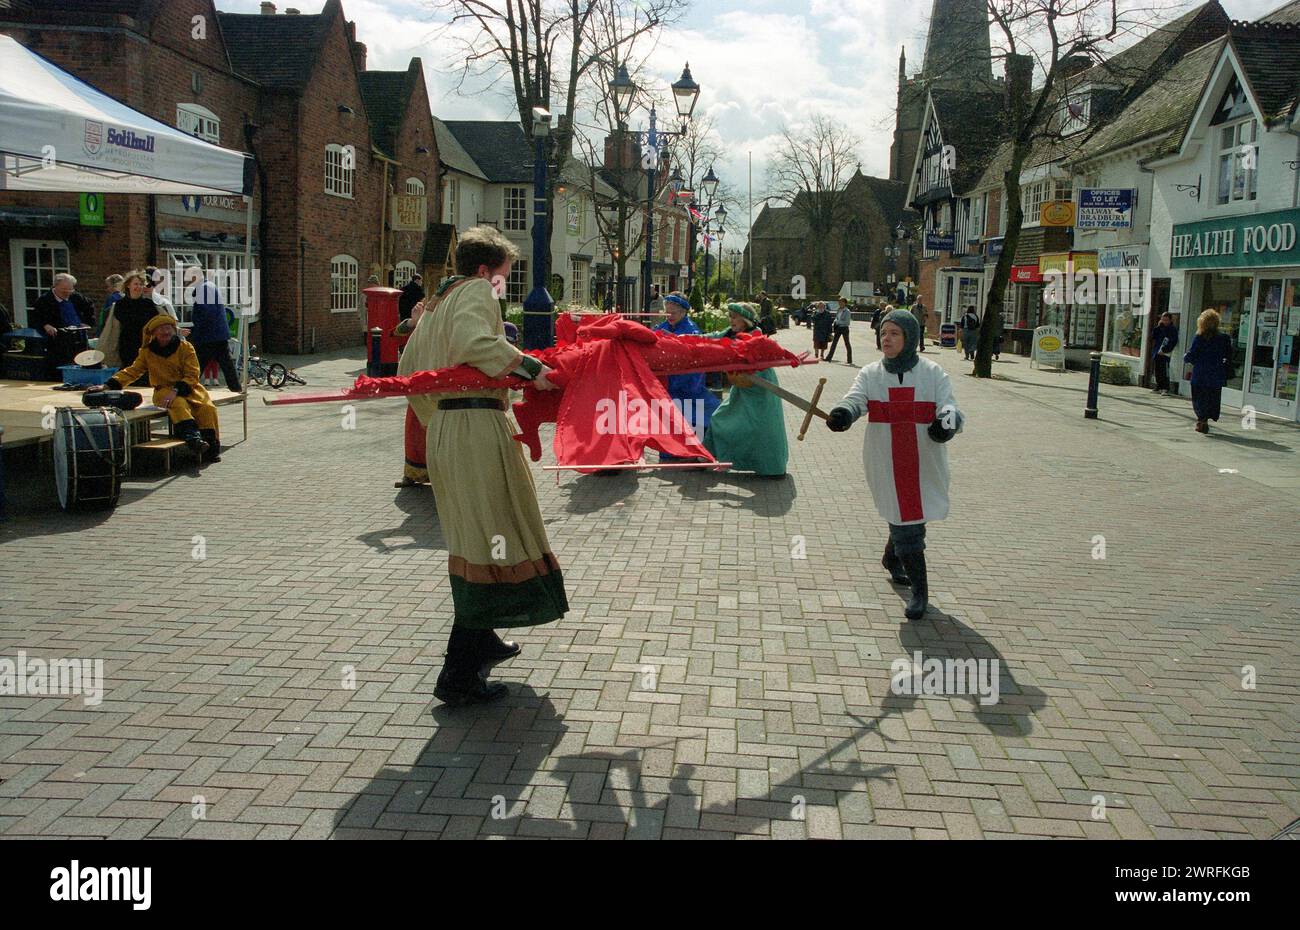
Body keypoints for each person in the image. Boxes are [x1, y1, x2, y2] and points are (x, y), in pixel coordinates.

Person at [401, 226, 567, 706]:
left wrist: (441, 419)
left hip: (453, 429)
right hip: (475, 425)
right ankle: (459, 673)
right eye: (503, 278)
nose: (502, 286)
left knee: (479, 535)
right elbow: (477, 344)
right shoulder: (475, 292)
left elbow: (409, 373)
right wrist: (534, 372)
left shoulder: (434, 305)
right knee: (493, 533)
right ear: (483, 271)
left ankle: (481, 641)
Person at [826, 309, 964, 620]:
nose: (886, 338)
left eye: (894, 333)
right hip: (886, 459)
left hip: (924, 460)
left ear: (910, 338)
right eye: (883, 333)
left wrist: (946, 423)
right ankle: (920, 592)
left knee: (908, 515)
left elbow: (950, 406)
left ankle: (893, 558)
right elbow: (855, 399)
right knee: (905, 519)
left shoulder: (933, 372)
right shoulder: (871, 373)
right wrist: (844, 414)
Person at [101, 314, 221, 462]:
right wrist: (108, 385)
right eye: (161, 329)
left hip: (189, 387)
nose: (166, 332)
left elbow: (192, 373)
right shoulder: (147, 352)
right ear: (154, 333)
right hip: (163, 389)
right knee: (177, 404)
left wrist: (177, 390)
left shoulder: (185, 347)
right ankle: (193, 439)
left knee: (207, 408)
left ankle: (211, 449)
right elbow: (133, 371)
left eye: (169, 328)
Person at [702, 303, 789, 478]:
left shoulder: (755, 336)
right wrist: (687, 339)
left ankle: (771, 467)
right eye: (730, 316)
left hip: (759, 386)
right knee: (720, 417)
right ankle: (706, 457)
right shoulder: (730, 333)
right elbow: (712, 338)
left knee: (762, 426)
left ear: (745, 320)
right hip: (742, 386)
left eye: (734, 317)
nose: (731, 320)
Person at [655, 291, 720, 457]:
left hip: (688, 382)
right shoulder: (662, 328)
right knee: (669, 417)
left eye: (673, 313)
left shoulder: (691, 330)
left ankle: (692, 452)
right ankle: (670, 451)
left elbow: (694, 353)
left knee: (694, 416)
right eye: (667, 312)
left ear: (683, 312)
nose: (669, 316)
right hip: (668, 382)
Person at [185, 266, 241, 393]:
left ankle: (187, 387)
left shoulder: (203, 289)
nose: (187, 281)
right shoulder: (209, 286)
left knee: (198, 363)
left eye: (189, 278)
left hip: (208, 334)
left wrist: (197, 328)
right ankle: (235, 387)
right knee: (226, 362)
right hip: (217, 333)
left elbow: (206, 311)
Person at [394, 300, 431, 489]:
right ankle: (412, 473)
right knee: (413, 432)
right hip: (417, 384)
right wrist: (413, 322)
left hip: (436, 385)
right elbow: (397, 331)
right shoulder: (419, 321)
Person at [1183, 309, 1234, 435]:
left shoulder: (1200, 337)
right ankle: (1208, 417)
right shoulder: (1224, 338)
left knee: (1199, 398)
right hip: (1216, 374)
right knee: (1213, 397)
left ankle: (1202, 420)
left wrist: (1187, 357)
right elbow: (1228, 355)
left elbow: (1192, 354)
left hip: (1200, 373)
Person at [31, 274, 95, 365]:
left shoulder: (76, 297)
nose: (67, 292)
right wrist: (45, 325)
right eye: (64, 290)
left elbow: (89, 306)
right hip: (58, 340)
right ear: (55, 286)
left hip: (78, 337)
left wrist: (87, 322)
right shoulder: (44, 300)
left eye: (70, 289)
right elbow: (35, 318)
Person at [1150, 311, 1178, 395]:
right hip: (1157, 351)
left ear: (1170, 320)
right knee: (1157, 370)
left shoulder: (1172, 329)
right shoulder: (1160, 327)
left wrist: (1165, 350)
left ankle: (1165, 388)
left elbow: (1173, 341)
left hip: (1165, 353)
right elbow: (1153, 336)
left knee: (1164, 370)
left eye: (1166, 320)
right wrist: (1158, 327)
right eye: (1163, 319)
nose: (1164, 322)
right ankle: (1158, 386)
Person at [825, 297, 853, 365]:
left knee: (847, 343)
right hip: (838, 328)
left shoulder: (847, 311)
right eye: (839, 302)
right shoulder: (838, 310)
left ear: (845, 303)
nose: (840, 303)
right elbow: (836, 318)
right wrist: (834, 322)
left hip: (844, 328)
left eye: (841, 302)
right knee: (834, 343)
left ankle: (849, 359)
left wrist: (838, 322)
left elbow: (847, 322)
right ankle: (829, 357)